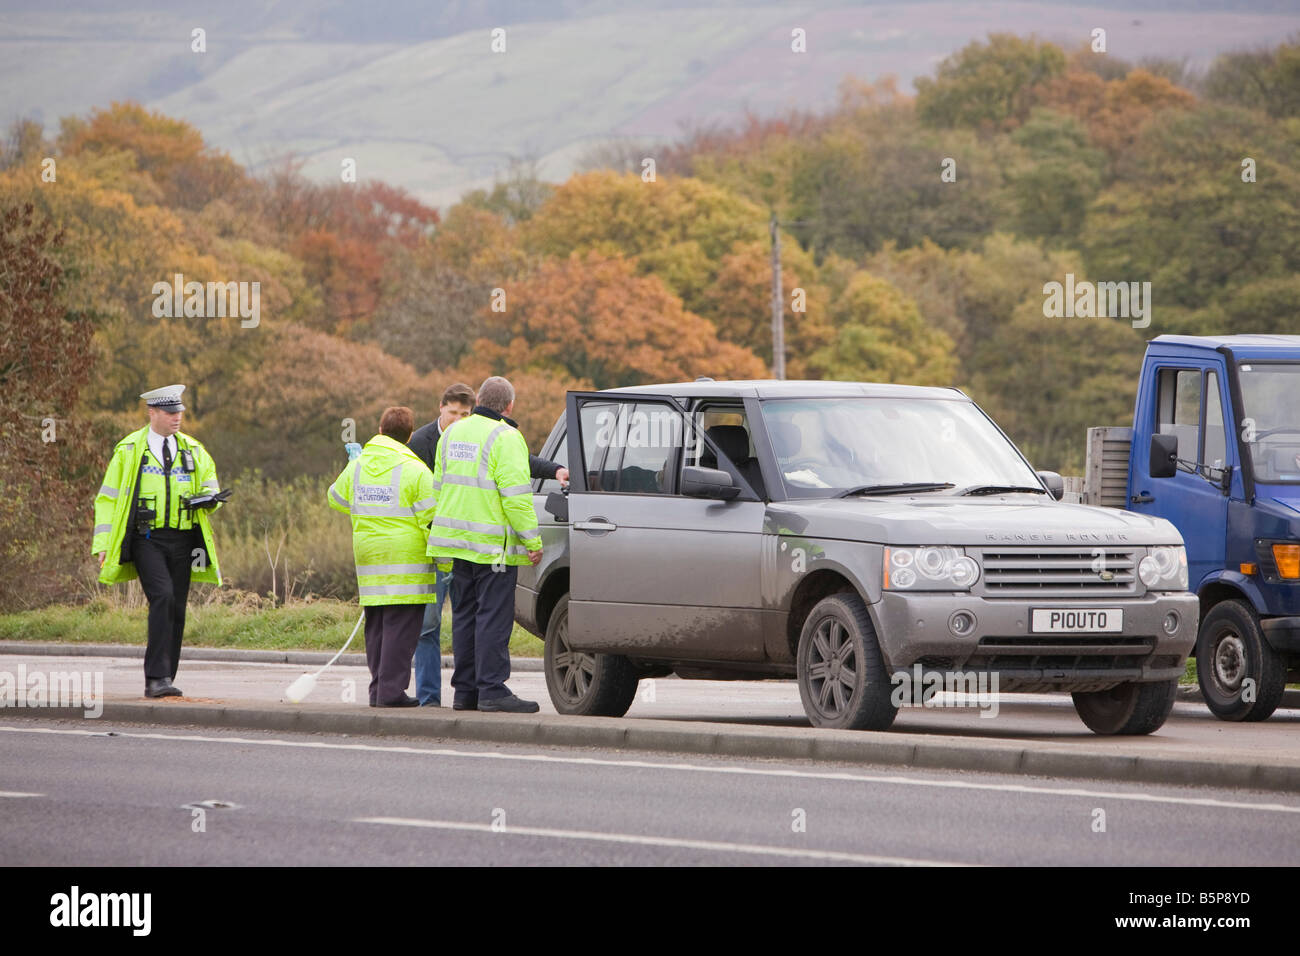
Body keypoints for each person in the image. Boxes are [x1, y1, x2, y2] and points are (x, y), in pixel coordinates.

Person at [408, 383, 568, 707]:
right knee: (493, 616)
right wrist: (532, 541)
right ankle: (492, 690)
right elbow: (516, 499)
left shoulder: (451, 434)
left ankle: (466, 692)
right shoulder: (506, 437)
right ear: (509, 406)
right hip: (492, 547)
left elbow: (437, 488)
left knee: (465, 615)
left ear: (478, 401)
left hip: (456, 545)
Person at [92, 384, 224, 698]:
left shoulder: (193, 449)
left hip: (184, 539)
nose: (177, 418)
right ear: (153, 412)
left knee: (177, 606)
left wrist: (208, 500)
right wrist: (102, 543)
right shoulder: (129, 449)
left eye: (179, 412)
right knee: (162, 596)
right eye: (170, 412)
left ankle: (166, 676)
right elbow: (107, 498)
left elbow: (212, 487)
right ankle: (155, 678)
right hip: (146, 539)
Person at [328, 406, 437, 708]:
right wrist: (444, 559)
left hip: (368, 556)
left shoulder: (359, 465)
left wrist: (363, 505)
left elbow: (335, 497)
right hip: (406, 560)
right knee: (401, 628)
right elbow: (431, 519)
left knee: (377, 625)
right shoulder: (416, 470)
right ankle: (391, 692)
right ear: (410, 435)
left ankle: (378, 690)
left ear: (379, 430)